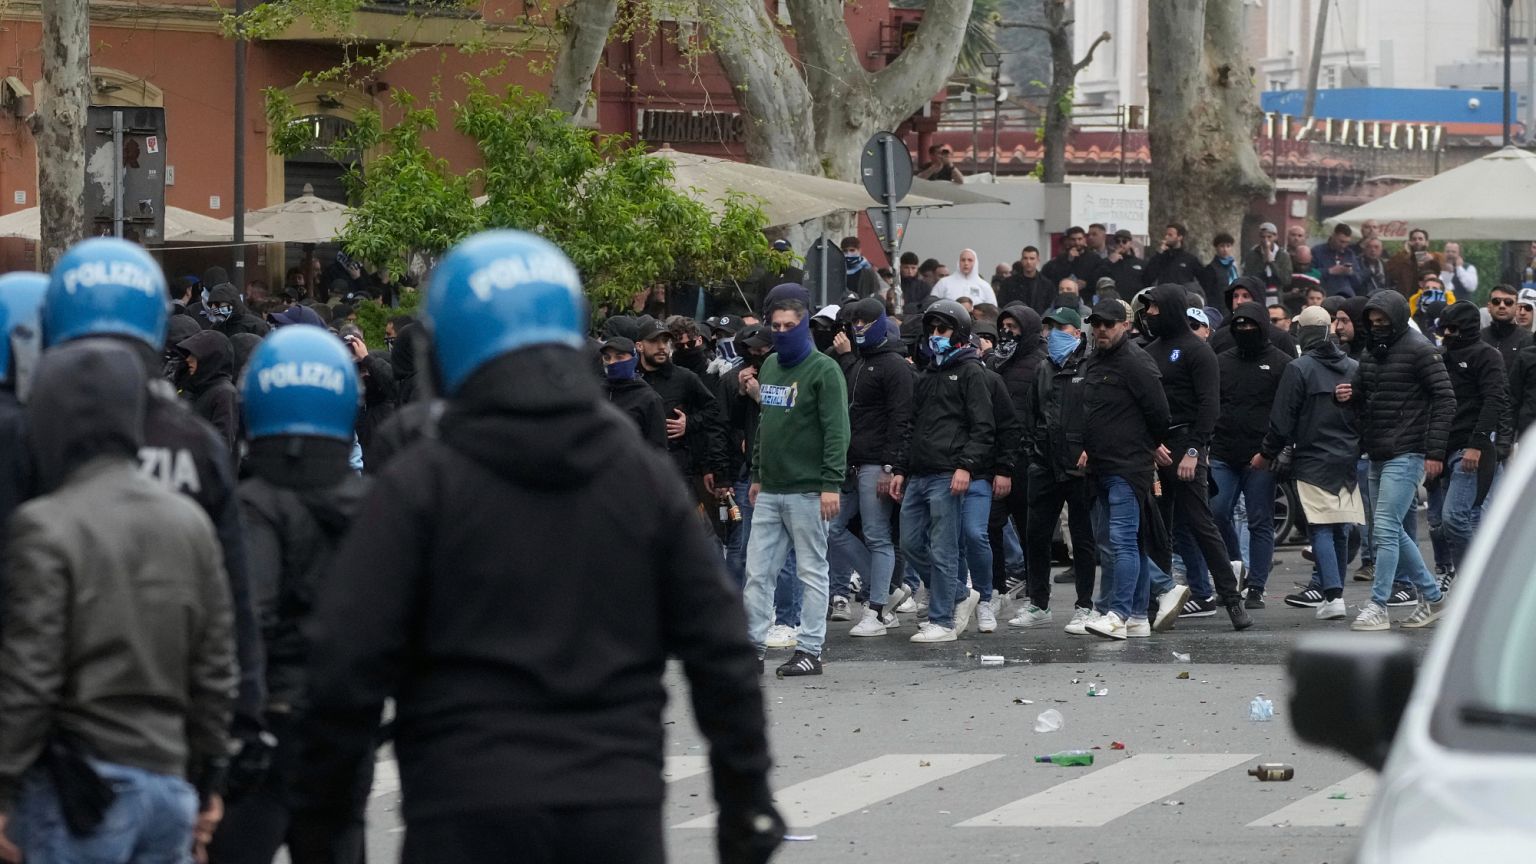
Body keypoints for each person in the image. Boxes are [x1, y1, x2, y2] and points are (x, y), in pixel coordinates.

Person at [291, 231, 783, 862]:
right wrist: (745, 801)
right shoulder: (639, 479)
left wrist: (322, 821)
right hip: (613, 808)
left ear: (443, 353)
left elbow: (344, 665)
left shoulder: (420, 484)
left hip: (464, 806)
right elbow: (721, 652)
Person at [0, 339, 235, 863]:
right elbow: (215, 667)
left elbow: (30, 673)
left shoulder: (46, 525)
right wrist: (209, 779)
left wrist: (4, 785)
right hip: (169, 787)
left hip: (81, 794)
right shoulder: (189, 523)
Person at [39, 237, 264, 761]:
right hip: (171, 730)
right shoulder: (195, 442)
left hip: (58, 738)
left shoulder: (33, 435)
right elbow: (232, 603)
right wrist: (237, 733)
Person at [207, 328, 370, 864]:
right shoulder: (374, 501)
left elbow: (250, 614)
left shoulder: (254, 503)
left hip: (274, 722)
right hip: (345, 722)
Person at [743, 285, 850, 676]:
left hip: (809, 490)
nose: (782, 330)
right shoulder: (770, 365)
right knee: (757, 573)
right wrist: (757, 473)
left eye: (790, 324)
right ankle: (752, 647)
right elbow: (766, 426)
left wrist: (830, 484)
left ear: (804, 324)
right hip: (771, 489)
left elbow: (837, 430)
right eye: (776, 325)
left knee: (811, 572)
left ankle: (809, 650)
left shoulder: (825, 370)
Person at [1139, 284, 1253, 631]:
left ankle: (1232, 601)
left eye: (1155, 308)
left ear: (1172, 309)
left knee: (1202, 525)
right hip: (1157, 449)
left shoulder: (1197, 350)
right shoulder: (1149, 350)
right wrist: (1151, 443)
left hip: (1188, 446)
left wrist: (1193, 451)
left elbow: (1209, 407)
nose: (1149, 315)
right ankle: (1158, 601)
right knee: (1158, 530)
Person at [1338, 290, 1453, 631]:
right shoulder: (1373, 354)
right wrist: (1349, 396)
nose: (1377, 328)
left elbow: (1445, 400)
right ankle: (1433, 597)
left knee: (1385, 529)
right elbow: (1364, 395)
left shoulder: (1421, 351)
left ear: (1398, 319)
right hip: (1378, 451)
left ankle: (1378, 604)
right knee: (1390, 530)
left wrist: (1434, 452)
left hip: (1408, 452)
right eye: (1372, 323)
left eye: (1382, 322)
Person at [892, 299, 994, 643]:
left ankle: (943, 620)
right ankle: (959, 596)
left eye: (943, 329)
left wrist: (966, 466)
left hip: (947, 474)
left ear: (960, 332)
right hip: (919, 473)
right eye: (931, 330)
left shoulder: (971, 372)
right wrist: (901, 469)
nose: (935, 336)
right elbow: (911, 426)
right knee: (909, 543)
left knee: (944, 548)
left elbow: (983, 426)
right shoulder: (926, 374)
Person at [1258, 305, 1362, 622]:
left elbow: (1281, 420)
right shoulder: (1354, 367)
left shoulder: (1299, 368)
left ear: (1303, 331)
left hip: (1313, 458)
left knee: (1320, 528)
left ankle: (1332, 595)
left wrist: (1267, 452)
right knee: (1341, 527)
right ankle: (1336, 593)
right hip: (1346, 458)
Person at [1079, 299, 1171, 640]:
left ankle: (1117, 614)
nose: (1101, 329)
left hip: (1127, 467)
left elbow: (1160, 415)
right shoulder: (1094, 360)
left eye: (1108, 323)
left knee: (1122, 541)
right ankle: (1136, 615)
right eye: (1096, 323)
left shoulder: (1136, 362)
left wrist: (1140, 446)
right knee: (1128, 541)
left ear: (1124, 325)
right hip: (1101, 466)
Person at [828, 298, 914, 637]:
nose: (858, 326)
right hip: (852, 463)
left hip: (877, 462)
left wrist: (892, 467)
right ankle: (888, 592)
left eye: (864, 320)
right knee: (833, 529)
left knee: (877, 536)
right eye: (854, 321)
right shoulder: (859, 362)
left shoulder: (894, 365)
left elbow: (901, 419)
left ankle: (877, 610)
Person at [1011, 306, 1098, 633]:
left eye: (1061, 328)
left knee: (1082, 536)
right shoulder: (1043, 368)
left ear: (1076, 332)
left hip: (1078, 465)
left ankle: (1085, 606)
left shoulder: (1089, 367)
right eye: (1050, 328)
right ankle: (1038, 603)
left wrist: (1089, 450)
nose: (1053, 334)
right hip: (1044, 464)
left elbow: (1094, 413)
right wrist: (1034, 453)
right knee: (1036, 536)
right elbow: (1032, 415)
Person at [1211, 302, 1292, 608]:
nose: (1244, 330)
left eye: (1250, 325)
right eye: (1239, 325)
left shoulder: (1281, 363)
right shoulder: (1221, 362)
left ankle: (1256, 585)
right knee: (1216, 512)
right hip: (1223, 451)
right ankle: (1234, 568)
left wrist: (1272, 449)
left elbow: (1285, 411)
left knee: (1260, 521)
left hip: (1261, 455)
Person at [1435, 301, 1509, 592]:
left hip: (1472, 447)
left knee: (1455, 517)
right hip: (1445, 447)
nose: (1448, 334)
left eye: (1454, 329)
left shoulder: (1486, 356)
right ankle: (1478, 579)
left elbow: (1494, 400)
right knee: (1447, 522)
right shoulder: (1441, 357)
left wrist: (1478, 443)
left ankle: (1473, 581)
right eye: (1445, 329)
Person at [987, 303, 1043, 607]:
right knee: (991, 526)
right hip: (995, 457)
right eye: (1004, 326)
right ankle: (994, 590)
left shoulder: (1040, 364)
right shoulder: (994, 362)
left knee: (1029, 528)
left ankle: (1036, 590)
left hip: (1026, 460)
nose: (1007, 332)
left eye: (1014, 327)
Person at [636, 316, 729, 500]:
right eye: (655, 341)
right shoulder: (631, 379)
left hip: (677, 470)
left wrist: (689, 423)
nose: (662, 346)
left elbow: (714, 410)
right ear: (640, 346)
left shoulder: (685, 378)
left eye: (665, 341)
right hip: (638, 470)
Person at [173, 329, 241, 459]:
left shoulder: (224, 393)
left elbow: (223, 441)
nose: (188, 359)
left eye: (195, 354)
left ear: (210, 358)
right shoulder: (192, 386)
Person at [601, 335, 667, 448]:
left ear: (634, 359)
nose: (612, 362)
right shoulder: (596, 390)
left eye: (619, 357)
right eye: (607, 357)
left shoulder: (649, 398)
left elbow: (657, 447)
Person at [1481, 283, 1532, 370]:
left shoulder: (1528, 340)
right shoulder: (1479, 338)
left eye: (1508, 302)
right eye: (1496, 301)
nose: (1502, 306)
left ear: (1516, 308)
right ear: (1489, 307)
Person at [1242, 222, 1292, 302]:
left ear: (1275, 237)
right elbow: (1249, 277)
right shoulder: (1253, 254)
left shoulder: (1283, 255)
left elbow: (1286, 280)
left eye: (1269, 237)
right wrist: (1263, 263)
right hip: (1257, 296)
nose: (1266, 240)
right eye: (1263, 237)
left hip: (1276, 296)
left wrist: (1272, 263)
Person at [1385, 228, 1443, 297]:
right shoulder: (1403, 259)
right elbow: (1391, 271)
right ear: (1410, 242)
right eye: (1414, 239)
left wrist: (1432, 260)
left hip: (1427, 298)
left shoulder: (1433, 259)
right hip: (1407, 299)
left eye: (1420, 239)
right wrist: (1405, 252)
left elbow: (1440, 273)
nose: (1417, 241)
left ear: (1426, 242)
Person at [1312, 223, 1363, 297]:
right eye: (1341, 241)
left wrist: (1351, 273)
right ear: (1333, 235)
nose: (1343, 245)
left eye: (1347, 242)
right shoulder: (1317, 251)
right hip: (1323, 295)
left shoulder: (1350, 254)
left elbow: (1359, 280)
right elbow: (1309, 274)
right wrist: (1330, 271)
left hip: (1346, 296)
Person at [931, 249, 997, 305]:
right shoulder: (944, 283)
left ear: (975, 263)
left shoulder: (984, 286)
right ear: (958, 262)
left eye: (970, 260)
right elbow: (932, 303)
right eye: (963, 260)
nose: (966, 263)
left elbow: (992, 309)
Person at [998, 246, 1054, 313]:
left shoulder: (1047, 285)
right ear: (1021, 260)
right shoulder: (1008, 283)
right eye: (1025, 258)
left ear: (1038, 260)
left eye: (1032, 258)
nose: (1028, 262)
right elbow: (1002, 305)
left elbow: (1050, 308)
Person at [1105, 229, 1146, 298]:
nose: (1121, 244)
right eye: (1118, 241)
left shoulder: (1140, 263)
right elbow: (1100, 276)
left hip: (1133, 300)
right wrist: (1110, 262)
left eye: (1124, 241)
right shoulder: (1107, 261)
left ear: (1130, 243)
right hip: (1115, 301)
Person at [1199, 232, 1241, 297]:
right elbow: (1206, 292)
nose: (1225, 249)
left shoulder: (1233, 267)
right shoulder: (1211, 268)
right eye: (1222, 246)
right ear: (1216, 248)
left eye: (1228, 246)